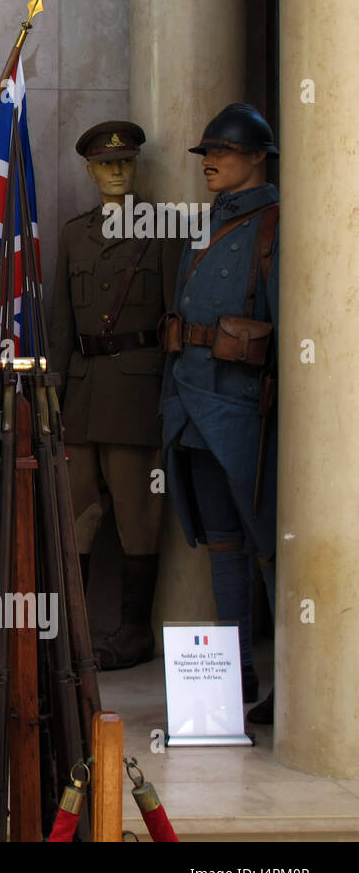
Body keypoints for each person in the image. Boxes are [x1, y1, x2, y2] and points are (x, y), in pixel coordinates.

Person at [160, 103, 279, 724]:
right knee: (225, 545)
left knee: (267, 545)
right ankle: (236, 677)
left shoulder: (274, 224)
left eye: (222, 153)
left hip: (242, 408)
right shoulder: (206, 224)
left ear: (257, 157)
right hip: (191, 401)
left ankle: (295, 686)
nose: (209, 164)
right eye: (206, 154)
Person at [51, 121, 181, 670]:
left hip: (135, 396)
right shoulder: (75, 234)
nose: (117, 170)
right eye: (107, 164)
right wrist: (53, 395)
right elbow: (61, 323)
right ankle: (73, 634)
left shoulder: (165, 233)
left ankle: (133, 632)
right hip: (82, 395)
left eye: (126, 162)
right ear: (89, 170)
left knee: (136, 514)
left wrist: (173, 400)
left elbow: (175, 321)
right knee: (77, 510)